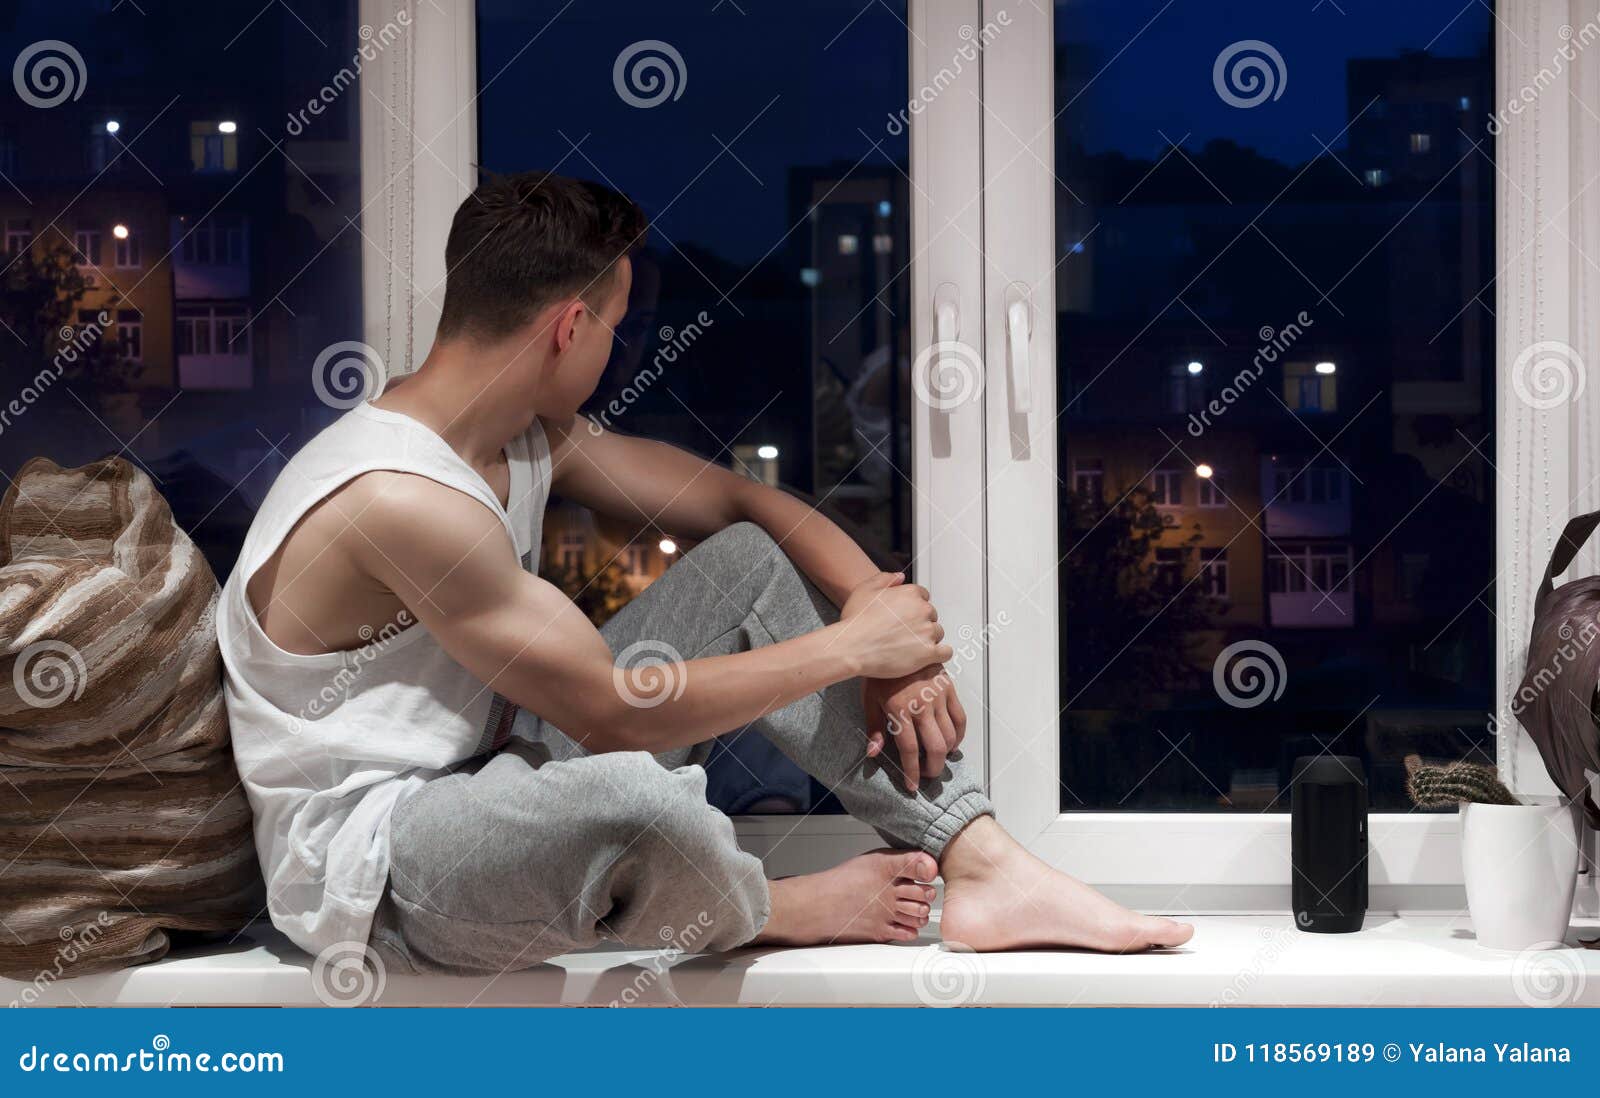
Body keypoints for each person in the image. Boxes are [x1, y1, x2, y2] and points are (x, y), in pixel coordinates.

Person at [217, 171, 1194, 976]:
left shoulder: (526, 440)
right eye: (612, 326)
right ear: (567, 326)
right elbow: (614, 715)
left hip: (499, 771)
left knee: (745, 570)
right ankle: (770, 906)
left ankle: (983, 863)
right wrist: (851, 647)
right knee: (639, 801)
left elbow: (739, 506)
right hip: (382, 867)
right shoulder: (397, 500)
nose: (615, 347)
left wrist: (870, 606)